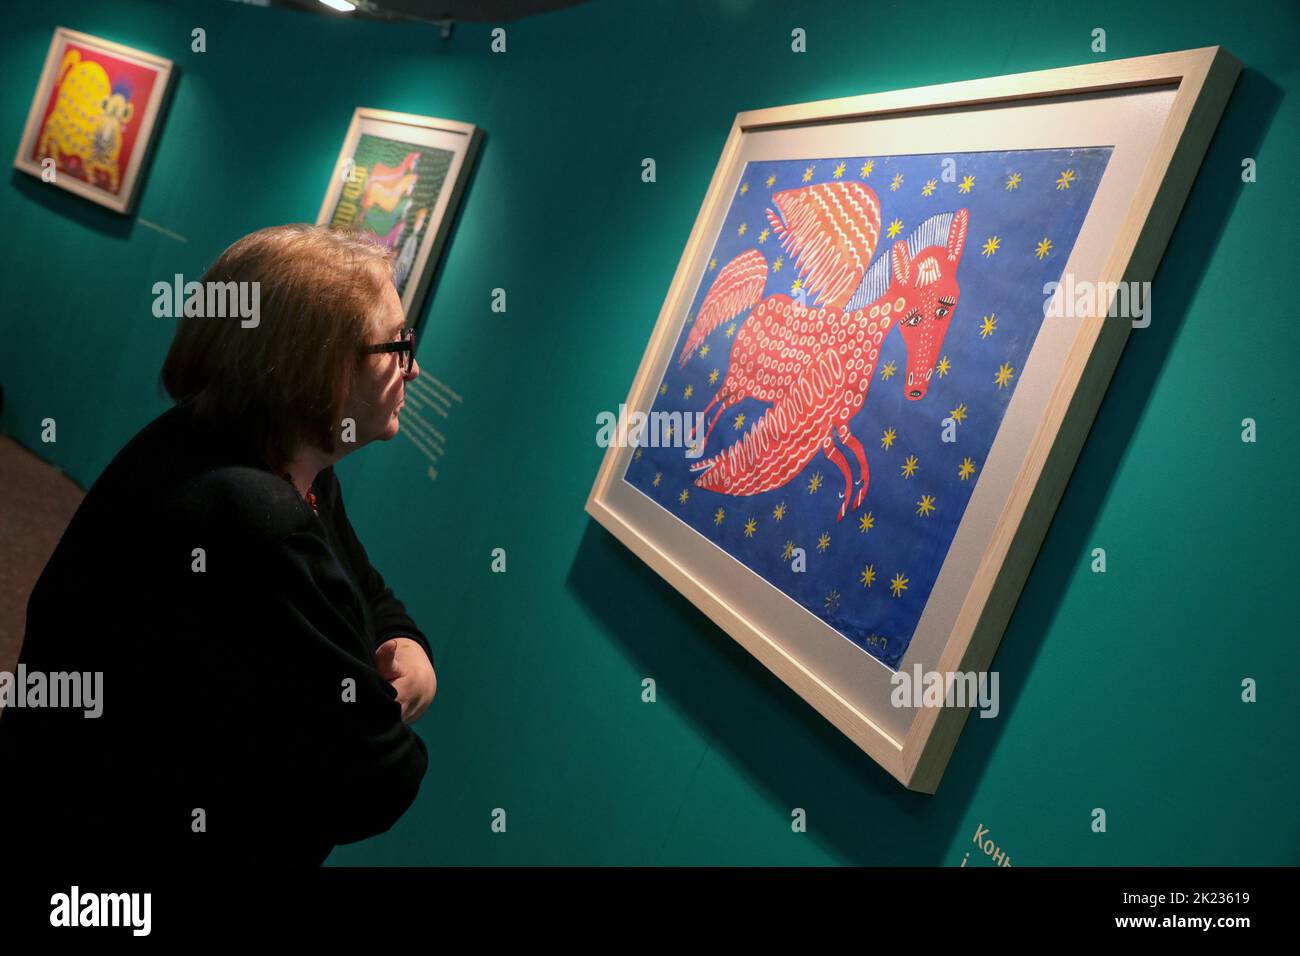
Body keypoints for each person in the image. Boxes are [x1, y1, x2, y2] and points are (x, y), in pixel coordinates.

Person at [0, 224, 437, 866]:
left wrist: (406, 648)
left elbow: (366, 594)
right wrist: (384, 710)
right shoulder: (253, 515)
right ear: (320, 363)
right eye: (396, 345)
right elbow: (374, 779)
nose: (413, 366)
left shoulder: (261, 454)